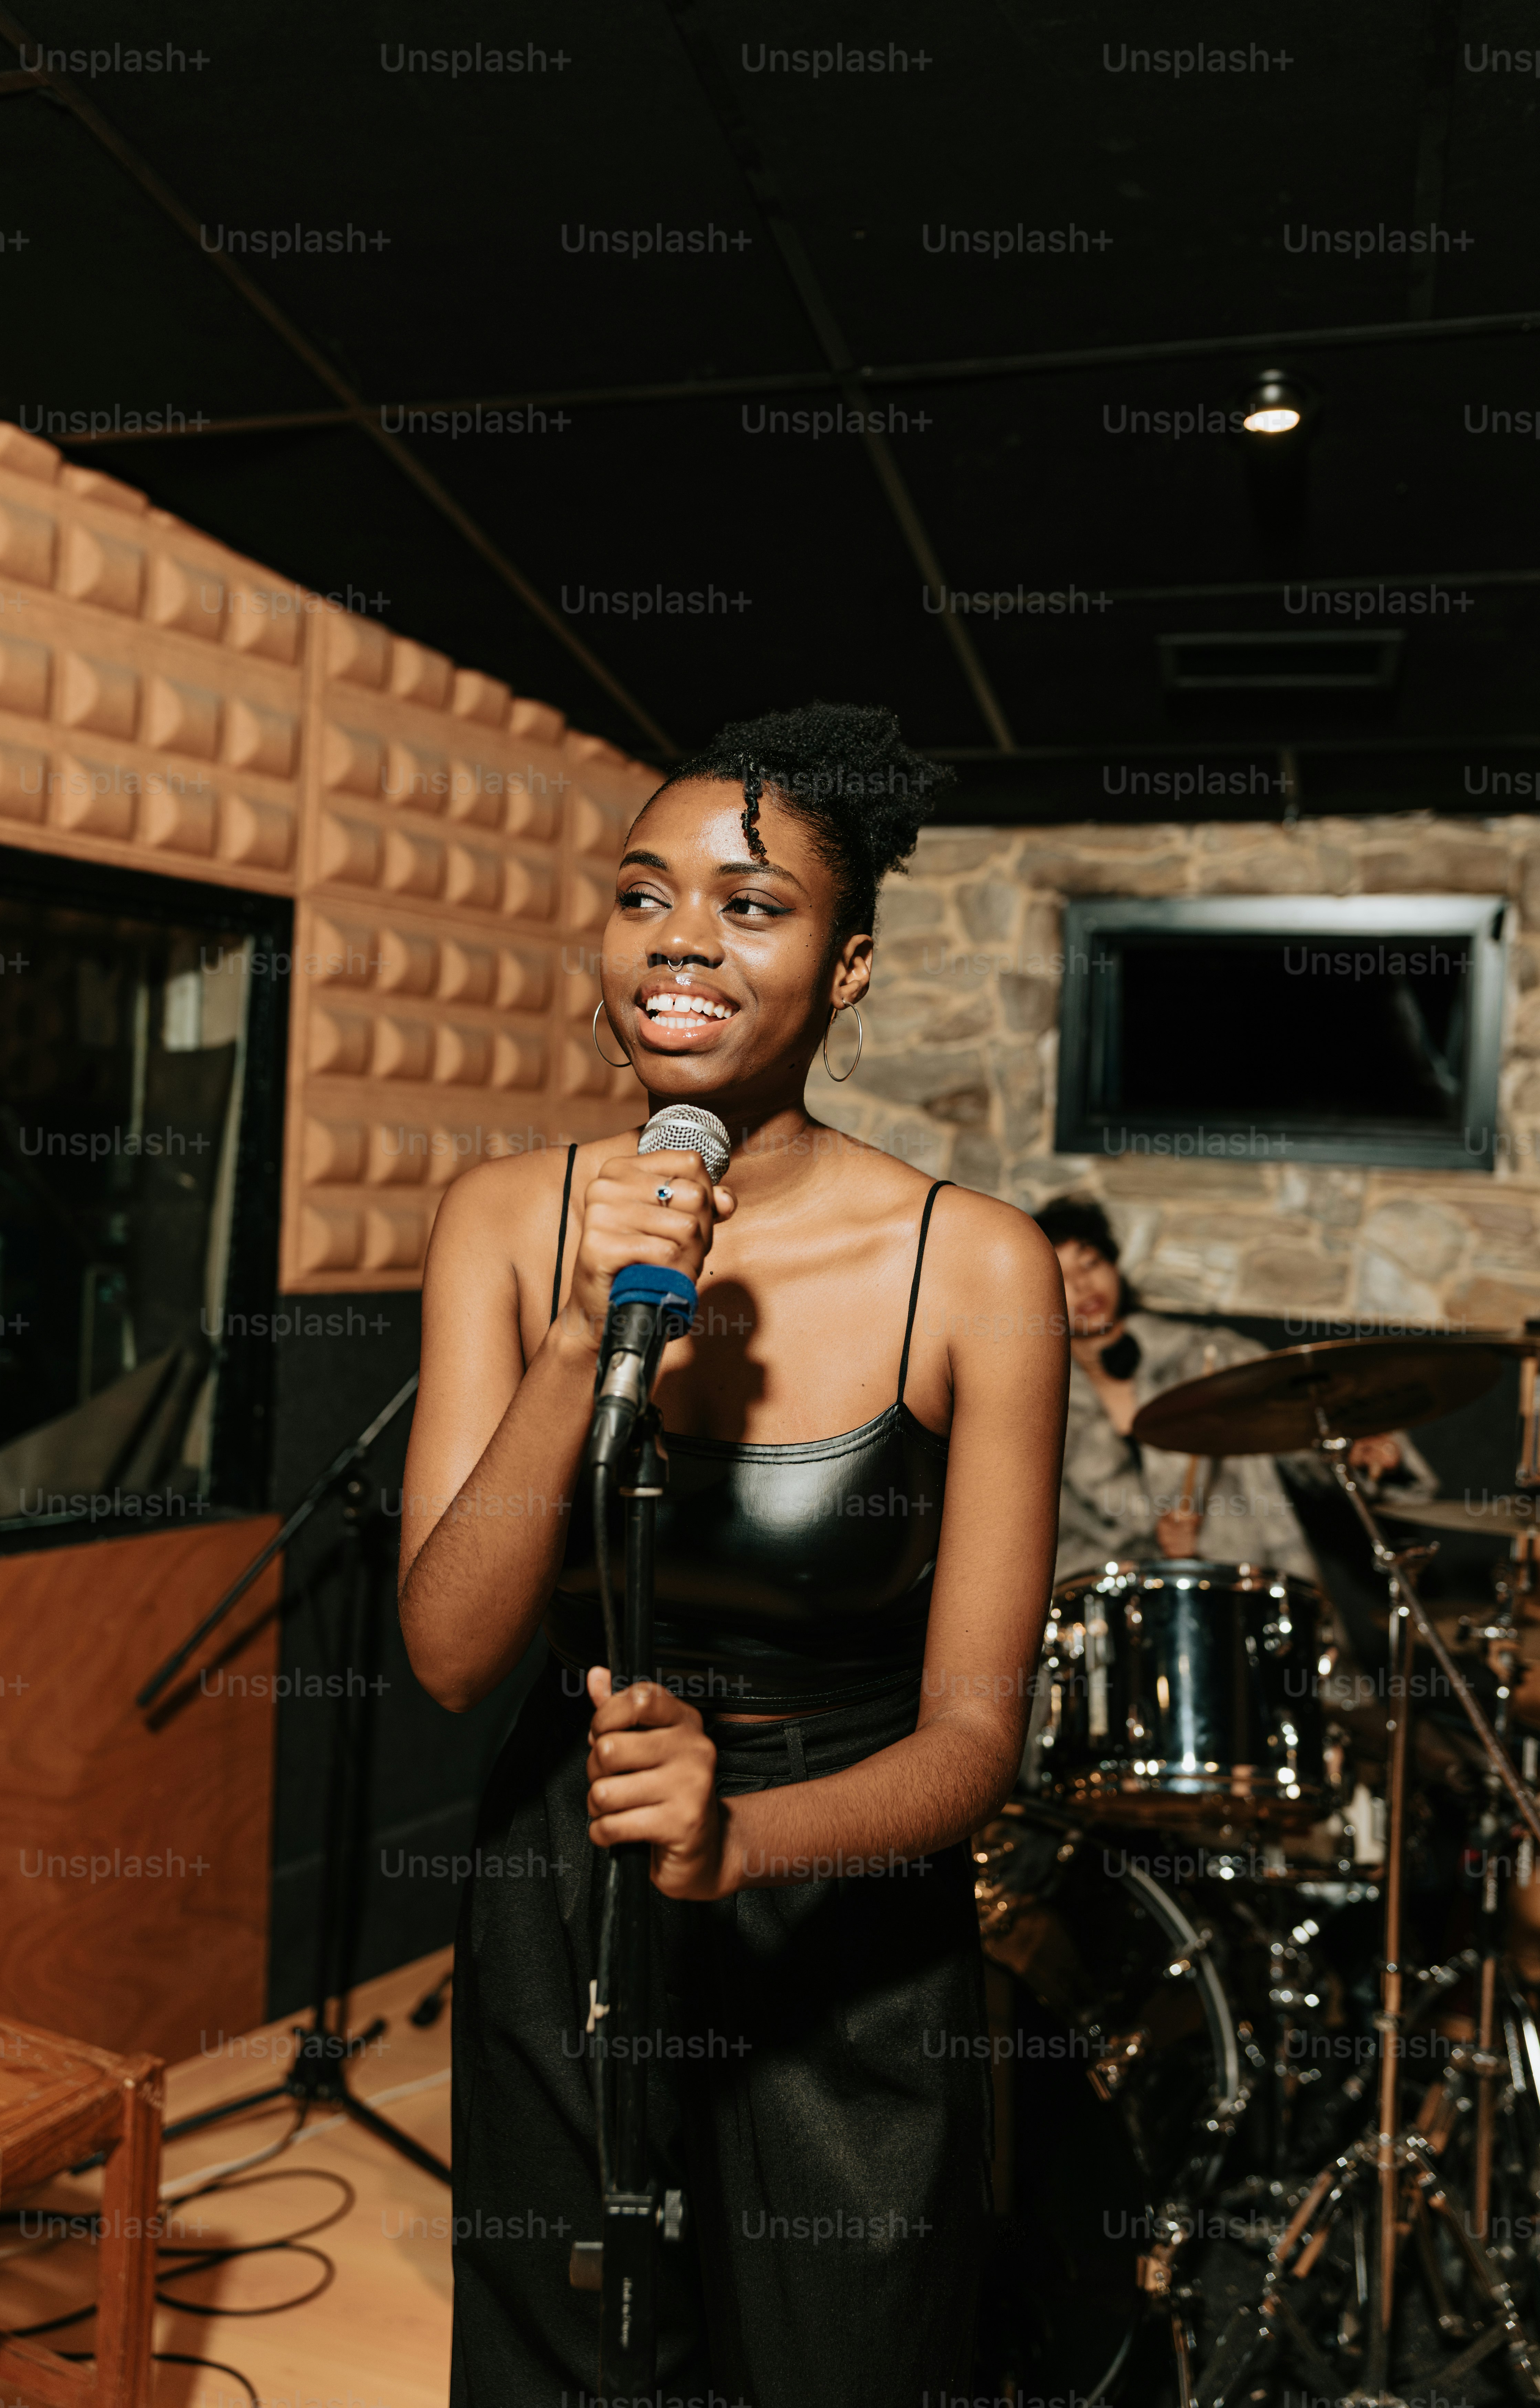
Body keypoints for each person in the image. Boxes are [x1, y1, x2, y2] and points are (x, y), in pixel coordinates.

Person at [398, 704, 1069, 2408]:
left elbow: (976, 1743)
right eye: (643, 896)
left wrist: (739, 1838)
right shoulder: (502, 1215)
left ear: (846, 970)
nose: (680, 938)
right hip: (566, 1878)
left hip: (837, 1923)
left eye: (751, 905)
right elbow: (452, 1654)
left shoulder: (976, 1269)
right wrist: (575, 1343)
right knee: (567, 2366)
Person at [1035, 1194, 1433, 1584]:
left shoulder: (1211, 1357)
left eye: (1091, 1263)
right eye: (1061, 1275)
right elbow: (1042, 1549)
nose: (1083, 1284)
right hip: (1131, 1625)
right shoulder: (1037, 1411)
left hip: (1261, 1600)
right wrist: (1145, 1559)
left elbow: (1305, 1437)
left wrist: (1355, 1450)